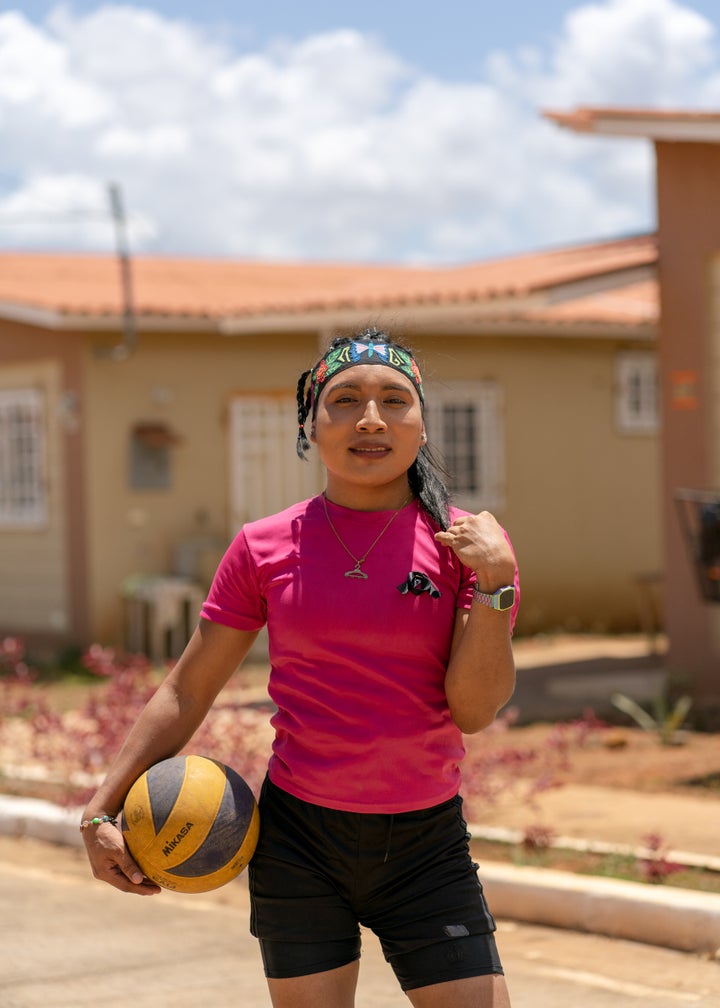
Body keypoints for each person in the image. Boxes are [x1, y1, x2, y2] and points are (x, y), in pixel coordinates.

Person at [81, 327, 520, 1008]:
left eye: (394, 401)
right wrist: (99, 810)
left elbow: (474, 709)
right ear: (310, 425)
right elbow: (190, 686)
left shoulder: (469, 546)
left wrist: (495, 585)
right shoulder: (263, 546)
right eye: (344, 400)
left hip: (426, 847)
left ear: (422, 423)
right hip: (299, 844)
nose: (370, 419)